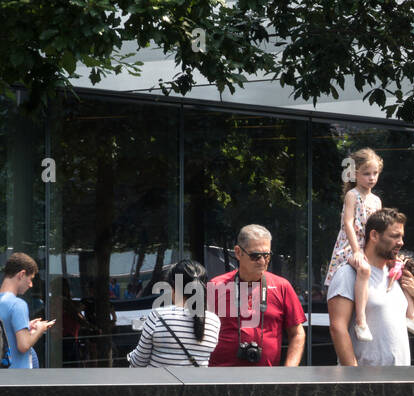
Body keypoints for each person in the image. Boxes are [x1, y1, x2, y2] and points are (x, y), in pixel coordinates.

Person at [327, 208, 414, 367]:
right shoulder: (348, 274)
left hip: (399, 380)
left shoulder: (395, 274)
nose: (401, 242)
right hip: (365, 382)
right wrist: (353, 376)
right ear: (374, 235)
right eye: (394, 236)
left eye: (402, 236)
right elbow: (337, 328)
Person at [207, 224, 306, 367]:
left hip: (267, 380)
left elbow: (297, 333)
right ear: (238, 252)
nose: (262, 261)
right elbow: (200, 331)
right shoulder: (216, 286)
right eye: (255, 256)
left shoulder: (281, 286)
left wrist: (289, 371)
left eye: (267, 256)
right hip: (221, 378)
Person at [324, 147, 382, 344]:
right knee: (364, 270)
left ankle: (409, 315)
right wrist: (356, 250)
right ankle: (361, 320)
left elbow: (378, 228)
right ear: (355, 174)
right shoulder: (352, 195)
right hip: (350, 245)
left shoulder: (376, 200)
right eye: (366, 173)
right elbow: (348, 223)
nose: (371, 178)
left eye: (375, 173)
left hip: (369, 246)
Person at [127, 259, 220, 367]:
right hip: (196, 383)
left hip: (161, 383)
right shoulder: (214, 321)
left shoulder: (157, 316)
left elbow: (138, 362)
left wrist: (130, 356)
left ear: (173, 287)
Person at [0, 253, 51, 369]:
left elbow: (4, 332)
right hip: (19, 377)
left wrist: (26, 326)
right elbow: (23, 345)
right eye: (31, 279)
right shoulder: (18, 304)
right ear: (22, 274)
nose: (31, 285)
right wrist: (40, 329)